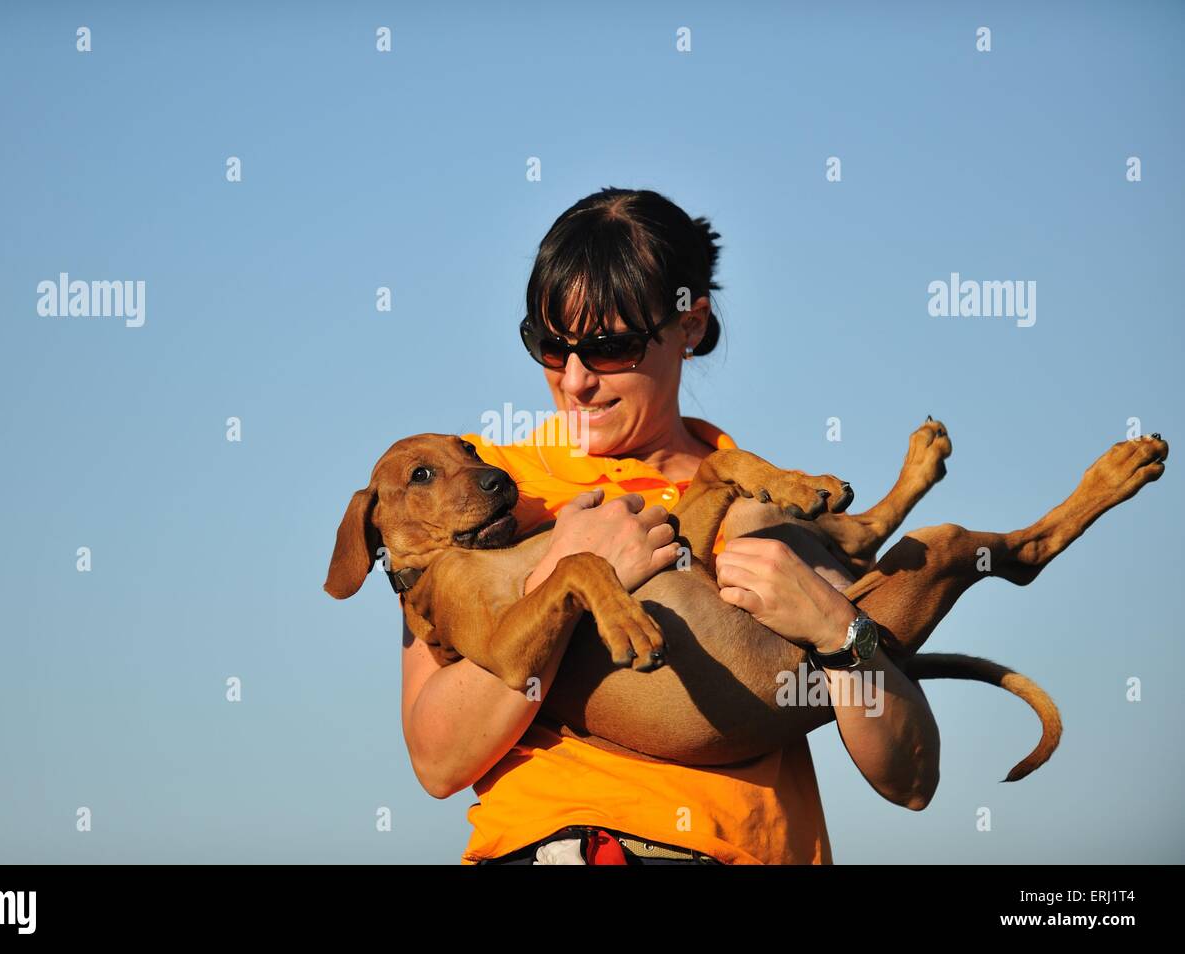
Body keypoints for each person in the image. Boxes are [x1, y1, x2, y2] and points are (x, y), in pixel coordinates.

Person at [400, 187, 940, 864]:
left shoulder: (771, 509)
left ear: (689, 325)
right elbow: (437, 759)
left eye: (610, 347)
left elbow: (912, 780)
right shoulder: (483, 490)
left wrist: (838, 632)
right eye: (549, 344)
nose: (573, 381)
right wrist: (565, 578)